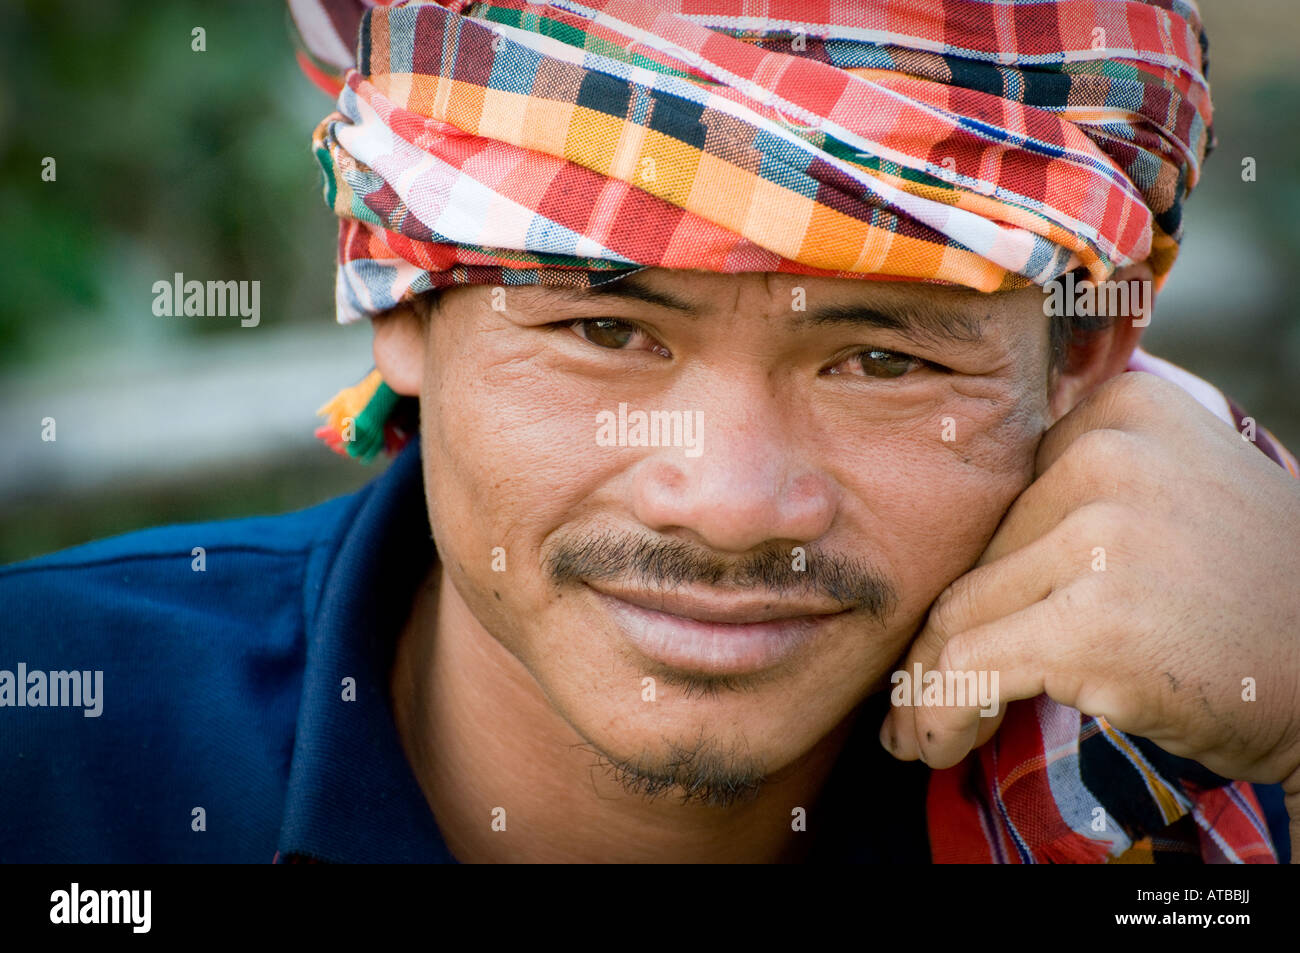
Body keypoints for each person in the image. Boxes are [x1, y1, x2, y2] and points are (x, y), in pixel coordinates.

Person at [1, 0, 1296, 863]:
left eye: (880, 359)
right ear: (397, 300)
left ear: (1078, 359)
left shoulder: (1225, 758)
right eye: (607, 330)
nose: (729, 503)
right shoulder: (45, 733)